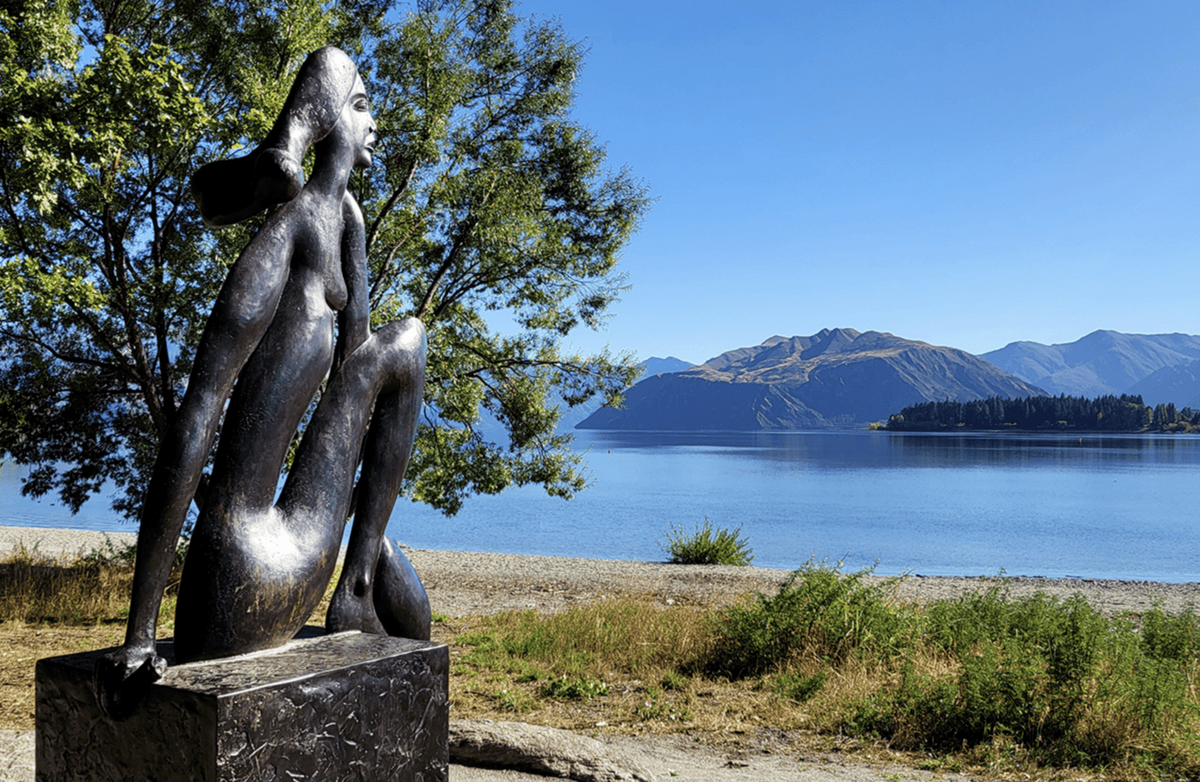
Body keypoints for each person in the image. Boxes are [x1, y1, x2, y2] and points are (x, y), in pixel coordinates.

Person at [95, 47, 429, 719]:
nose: (375, 123)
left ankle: (360, 578)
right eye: (361, 105)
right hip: (245, 573)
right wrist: (139, 636)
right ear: (327, 117)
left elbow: (359, 361)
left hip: (288, 548)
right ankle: (359, 584)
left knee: (404, 345)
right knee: (410, 340)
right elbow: (198, 415)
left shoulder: (348, 220)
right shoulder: (286, 233)